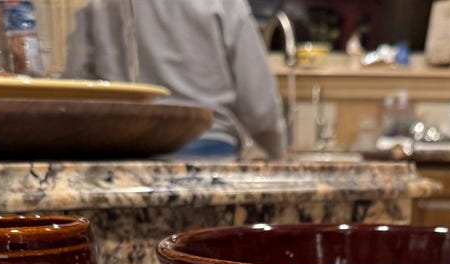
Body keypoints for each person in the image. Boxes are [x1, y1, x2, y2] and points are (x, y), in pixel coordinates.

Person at [66, 0, 287, 159]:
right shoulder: (222, 4)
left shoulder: (97, 7)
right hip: (208, 151)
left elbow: (76, 89)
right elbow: (260, 107)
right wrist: (278, 154)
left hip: (124, 157)